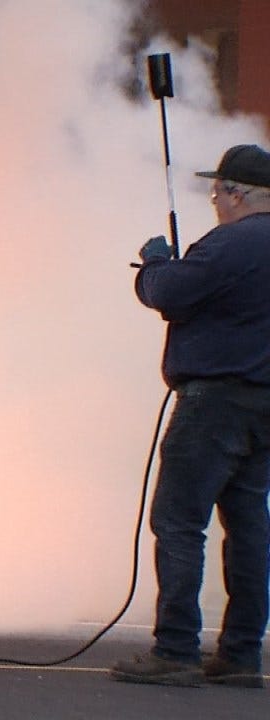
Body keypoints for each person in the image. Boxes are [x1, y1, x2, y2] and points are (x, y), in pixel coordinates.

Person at [111, 144, 270, 688]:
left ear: (237, 193)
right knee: (248, 527)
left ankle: (176, 648)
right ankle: (241, 655)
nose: (215, 203)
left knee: (178, 520)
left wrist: (156, 262)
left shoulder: (232, 243)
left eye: (217, 193)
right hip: (265, 407)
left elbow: (170, 294)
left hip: (214, 403)